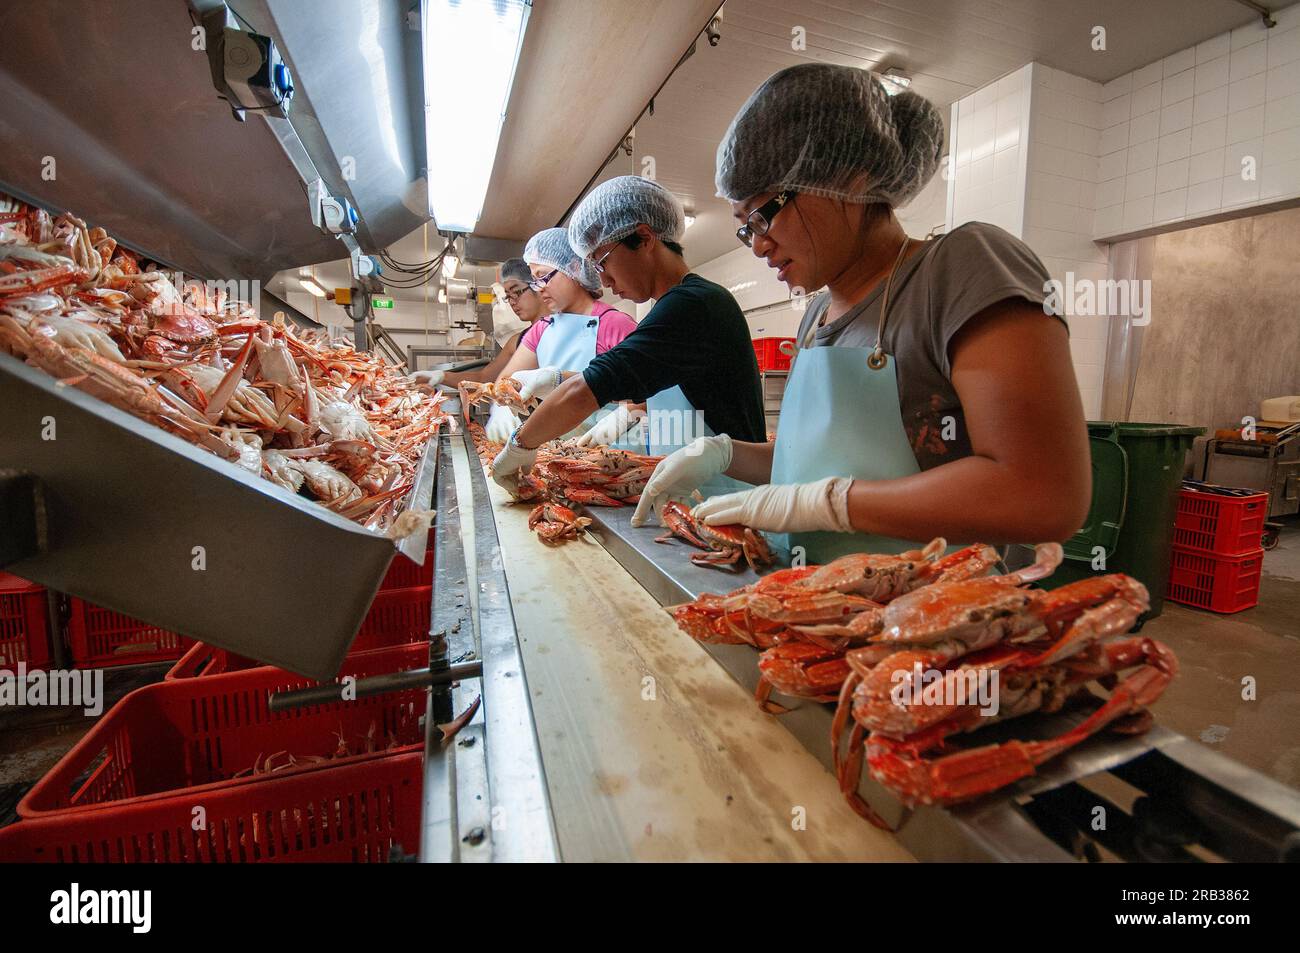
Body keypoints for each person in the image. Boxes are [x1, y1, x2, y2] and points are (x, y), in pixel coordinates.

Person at [635, 63, 1091, 557]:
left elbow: (1042, 493)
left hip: (925, 614)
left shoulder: (959, 269)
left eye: (763, 215)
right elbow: (801, 465)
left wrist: (834, 505)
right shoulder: (816, 315)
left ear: (849, 178)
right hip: (808, 603)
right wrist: (721, 454)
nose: (758, 245)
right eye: (745, 228)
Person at [491, 176, 766, 494]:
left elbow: (594, 386)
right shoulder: (672, 308)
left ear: (645, 237)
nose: (604, 280)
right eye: (594, 267)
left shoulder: (694, 304)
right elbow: (631, 383)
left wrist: (520, 445)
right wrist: (557, 378)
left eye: (603, 261)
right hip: (691, 495)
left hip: (729, 493)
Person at [481, 227, 639, 443]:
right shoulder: (541, 329)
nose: (539, 288)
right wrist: (501, 408)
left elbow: (656, 392)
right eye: (535, 281)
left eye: (544, 277)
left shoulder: (615, 325)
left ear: (573, 268)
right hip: (555, 451)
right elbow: (506, 380)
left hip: (609, 452)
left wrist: (626, 415)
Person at [409, 258, 544, 393]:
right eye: (508, 296)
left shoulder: (558, 331)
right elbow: (483, 378)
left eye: (516, 292)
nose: (512, 302)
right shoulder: (517, 341)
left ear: (538, 286)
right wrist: (441, 376)